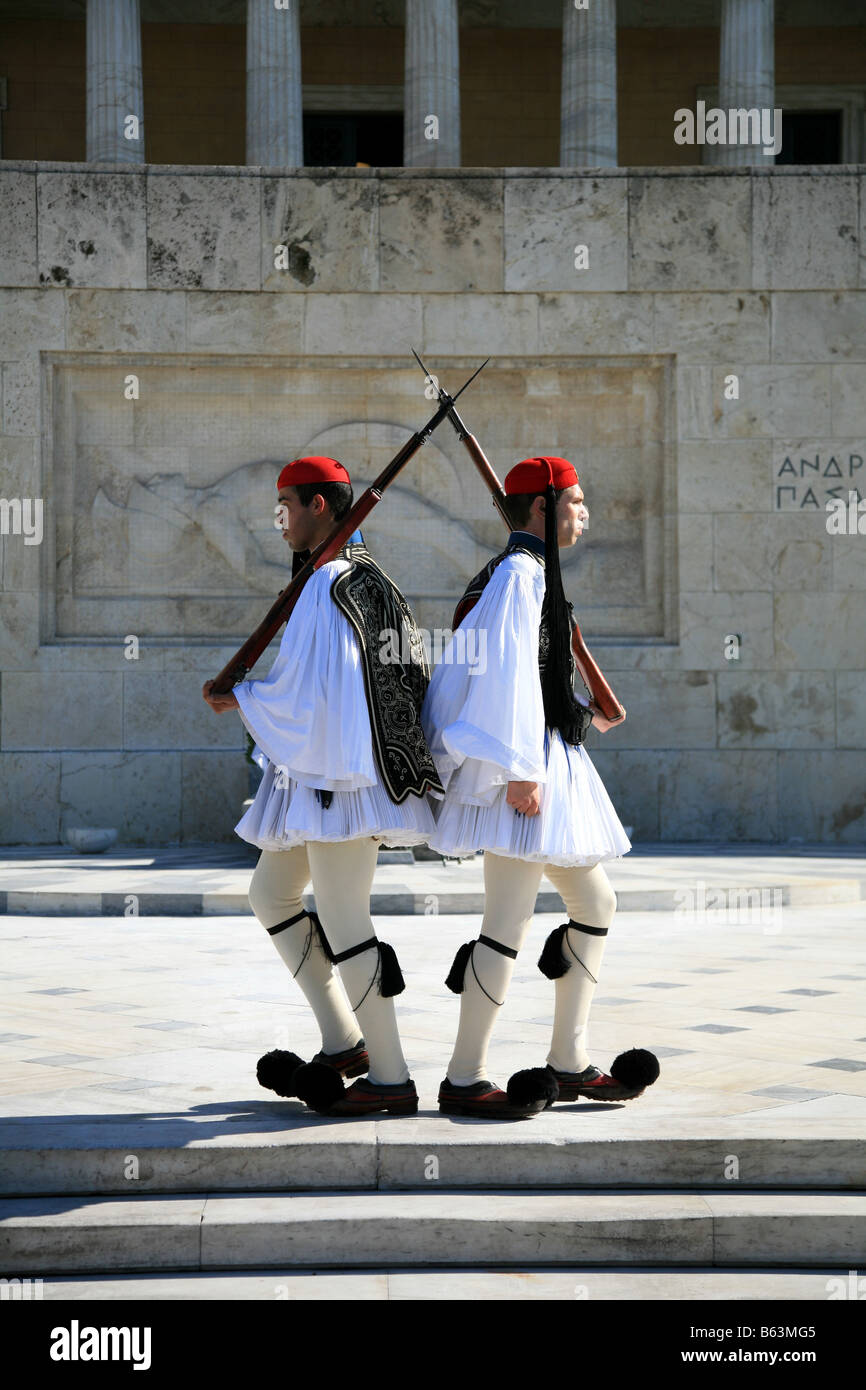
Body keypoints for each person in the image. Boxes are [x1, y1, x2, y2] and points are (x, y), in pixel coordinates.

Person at [202, 455, 442, 1118]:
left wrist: (243, 699)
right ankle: (345, 1041)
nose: (278, 519)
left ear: (321, 507)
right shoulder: (343, 580)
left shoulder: (335, 582)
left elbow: (316, 695)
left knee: (343, 916)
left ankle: (391, 1077)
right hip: (321, 773)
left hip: (339, 776)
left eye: (288, 504)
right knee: (271, 894)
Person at [422, 455, 659, 1119]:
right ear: (539, 510)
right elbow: (504, 675)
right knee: (507, 923)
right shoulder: (519, 576)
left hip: (547, 760)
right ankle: (464, 1078)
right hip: (529, 770)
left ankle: (569, 1059)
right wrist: (521, 769)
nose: (585, 514)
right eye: (575, 502)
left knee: (596, 903)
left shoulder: (531, 574)